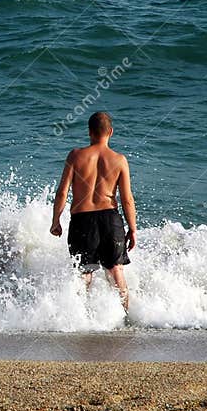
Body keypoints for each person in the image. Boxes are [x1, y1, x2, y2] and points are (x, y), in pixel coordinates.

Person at [49, 111, 136, 310]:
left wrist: (55, 221)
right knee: (116, 270)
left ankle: (82, 319)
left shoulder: (75, 156)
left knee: (84, 272)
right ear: (111, 132)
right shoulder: (120, 160)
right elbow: (127, 200)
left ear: (89, 132)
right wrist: (132, 228)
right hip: (110, 219)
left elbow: (62, 192)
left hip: (82, 220)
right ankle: (125, 316)